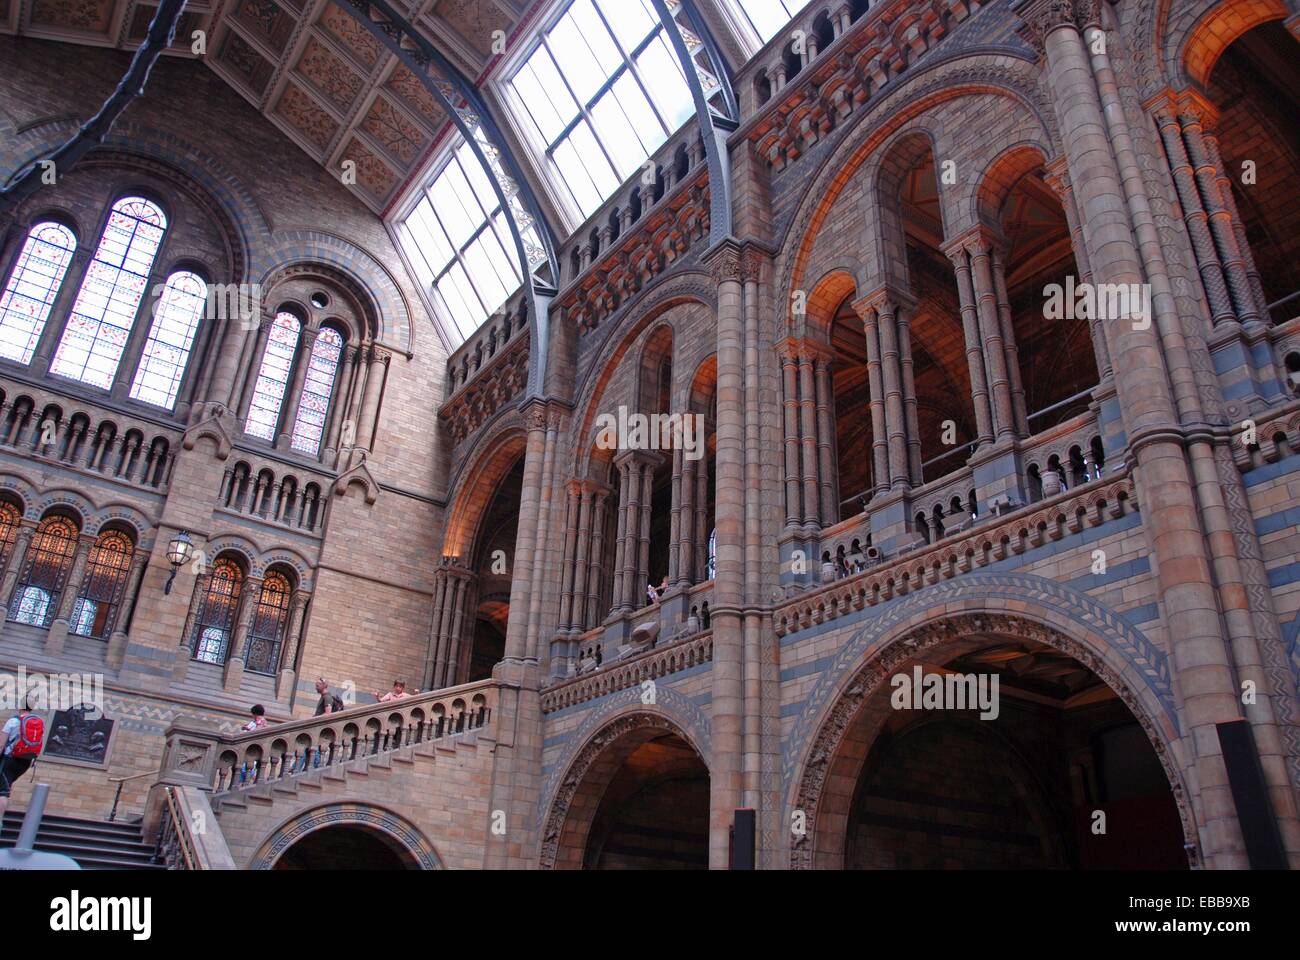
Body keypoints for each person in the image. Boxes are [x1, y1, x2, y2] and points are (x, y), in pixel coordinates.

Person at [0, 697, 44, 819]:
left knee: (2, 791)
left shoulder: (13, 721)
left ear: (20, 706)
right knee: (7, 785)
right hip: (26, 761)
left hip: (10, 759)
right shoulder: (37, 722)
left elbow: (1, 743)